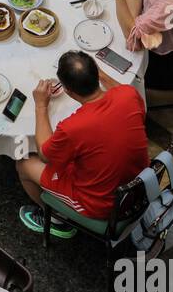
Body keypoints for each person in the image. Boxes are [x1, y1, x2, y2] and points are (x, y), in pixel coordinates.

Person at [15, 51, 149, 236]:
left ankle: (55, 219)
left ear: (68, 91)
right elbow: (120, 91)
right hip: (138, 183)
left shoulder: (72, 128)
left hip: (100, 204)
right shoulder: (129, 95)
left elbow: (45, 155)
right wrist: (98, 73)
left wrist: (41, 106)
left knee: (24, 163)